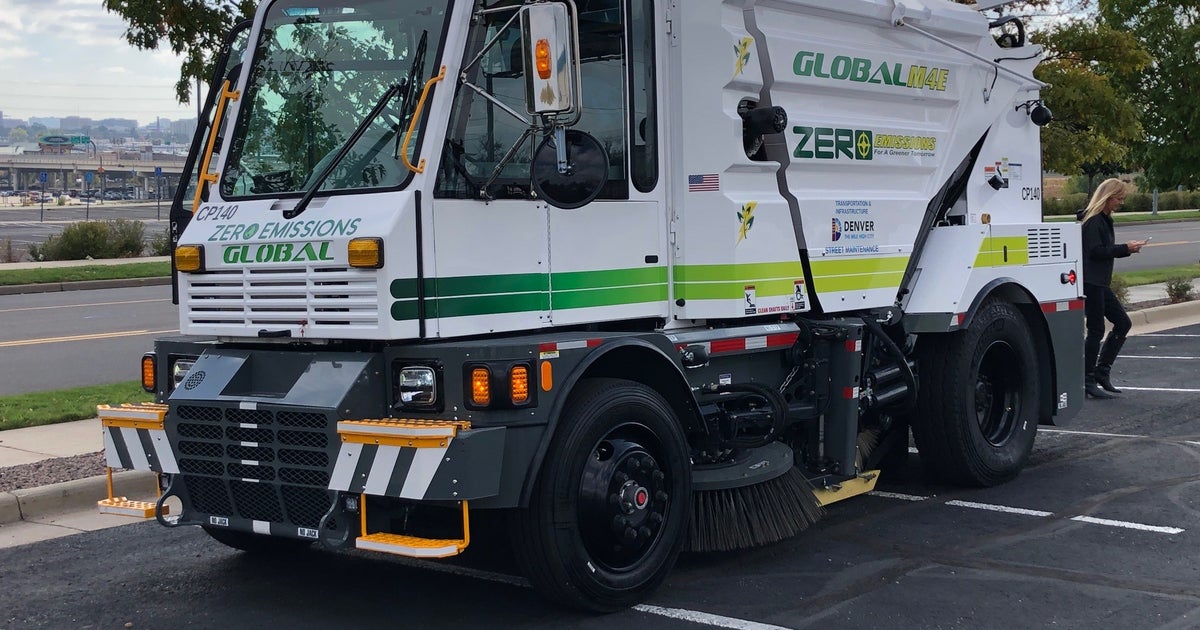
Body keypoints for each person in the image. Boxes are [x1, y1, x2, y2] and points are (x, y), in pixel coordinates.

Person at [1079, 178, 1145, 399]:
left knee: (1123, 322)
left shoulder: (1105, 220)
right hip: (1091, 282)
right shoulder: (1093, 222)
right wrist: (1125, 248)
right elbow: (1096, 251)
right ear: (1107, 197)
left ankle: (1101, 372)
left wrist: (1125, 248)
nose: (1121, 202)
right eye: (1119, 198)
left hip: (1101, 283)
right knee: (1096, 329)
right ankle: (1087, 379)